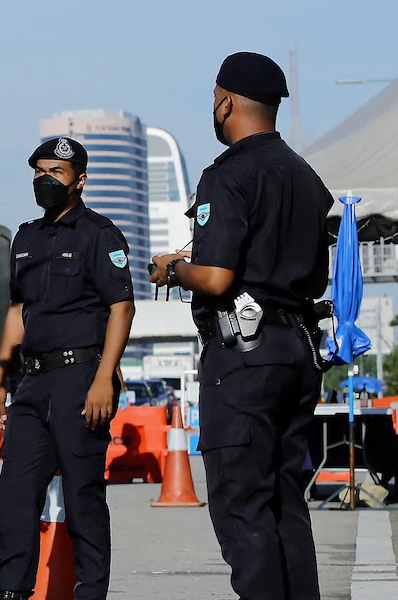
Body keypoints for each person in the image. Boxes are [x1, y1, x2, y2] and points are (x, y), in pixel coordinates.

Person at [149, 52, 332, 600]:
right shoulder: (306, 176)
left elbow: (215, 276)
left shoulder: (228, 174)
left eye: (213, 100)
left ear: (225, 101)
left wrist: (174, 268)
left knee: (242, 506)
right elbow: (315, 276)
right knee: (284, 501)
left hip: (244, 353)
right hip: (298, 348)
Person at [0, 137, 135, 600]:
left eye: (56, 172)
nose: (44, 178)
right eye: (38, 170)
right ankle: (11, 590)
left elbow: (121, 308)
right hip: (31, 383)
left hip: (80, 379)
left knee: (82, 495)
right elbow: (16, 312)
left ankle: (90, 593)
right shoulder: (25, 237)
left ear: (80, 181)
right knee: (14, 494)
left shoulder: (100, 233)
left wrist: (103, 378)